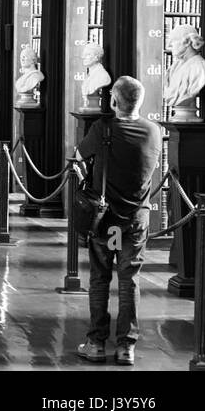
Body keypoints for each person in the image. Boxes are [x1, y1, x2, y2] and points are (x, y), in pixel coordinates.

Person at [76, 76, 162, 367]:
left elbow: (77, 157)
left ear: (114, 101)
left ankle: (96, 343)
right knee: (129, 281)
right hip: (136, 218)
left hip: (106, 219)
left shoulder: (102, 129)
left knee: (100, 278)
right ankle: (127, 347)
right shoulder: (154, 131)